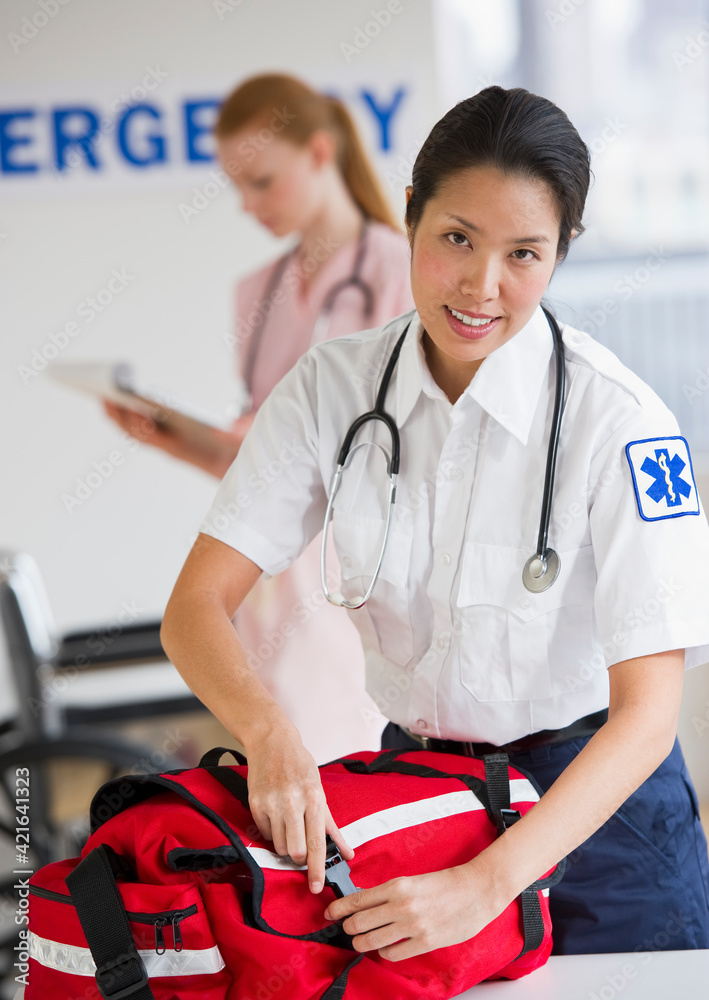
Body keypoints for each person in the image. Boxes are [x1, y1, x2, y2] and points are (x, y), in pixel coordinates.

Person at [160, 86, 709, 958]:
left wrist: (489, 884)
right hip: (421, 796)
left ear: (562, 252)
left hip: (601, 827)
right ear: (411, 215)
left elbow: (647, 716)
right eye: (455, 237)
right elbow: (194, 607)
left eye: (523, 253)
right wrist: (269, 734)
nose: (480, 287)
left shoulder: (621, 424)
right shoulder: (330, 391)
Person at [105, 74, 414, 762]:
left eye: (261, 182)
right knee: (282, 764)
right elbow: (270, 462)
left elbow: (401, 444)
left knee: (349, 771)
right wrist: (182, 443)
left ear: (317, 153)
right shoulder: (257, 292)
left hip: (358, 573)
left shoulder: (401, 274)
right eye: (236, 187)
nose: (247, 206)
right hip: (270, 574)